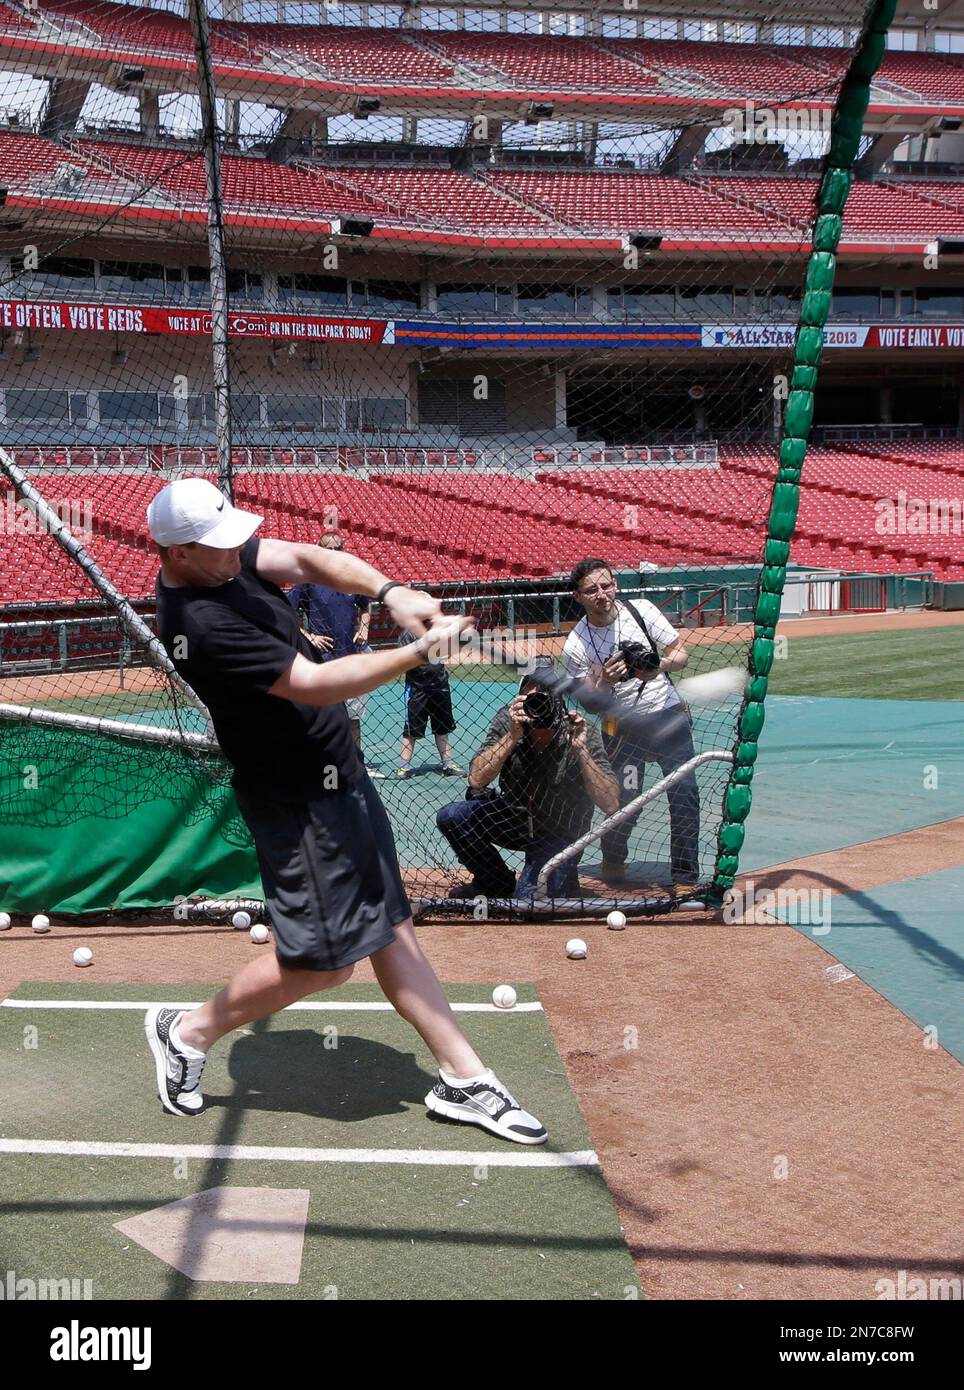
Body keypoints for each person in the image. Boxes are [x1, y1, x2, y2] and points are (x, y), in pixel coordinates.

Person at [143, 477, 547, 1146]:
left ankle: (464, 1077)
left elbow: (307, 557)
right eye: (219, 544)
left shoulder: (223, 557)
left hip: (339, 775)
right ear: (178, 553)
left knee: (393, 924)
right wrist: (418, 651)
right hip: (296, 799)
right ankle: (185, 1032)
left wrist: (395, 594)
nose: (239, 548)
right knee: (323, 963)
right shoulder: (197, 623)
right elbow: (312, 684)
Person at [562, 557, 700, 893]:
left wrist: (658, 666)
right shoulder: (577, 643)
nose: (602, 594)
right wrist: (606, 681)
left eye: (606, 585)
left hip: (668, 717)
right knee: (625, 800)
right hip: (621, 728)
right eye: (591, 590)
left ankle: (685, 878)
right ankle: (613, 860)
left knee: (685, 795)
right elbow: (587, 702)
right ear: (578, 596)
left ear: (615, 585)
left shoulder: (641, 610)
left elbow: (680, 654)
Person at [437, 669, 618, 899]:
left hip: (559, 832)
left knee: (530, 902)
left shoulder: (578, 729)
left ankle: (561, 876)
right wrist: (512, 735)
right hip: (515, 819)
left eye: (545, 700)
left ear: (559, 703)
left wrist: (581, 751)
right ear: (519, 700)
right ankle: (494, 882)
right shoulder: (509, 721)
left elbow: (610, 803)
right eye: (531, 700)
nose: (538, 707)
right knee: (452, 816)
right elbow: (477, 779)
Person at [287, 532, 381, 775]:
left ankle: (355, 764)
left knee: (353, 718)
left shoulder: (351, 577)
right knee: (323, 717)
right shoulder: (309, 580)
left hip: (351, 658)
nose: (334, 552)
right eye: (328, 548)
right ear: (319, 549)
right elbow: (287, 612)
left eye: (338, 547)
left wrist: (364, 628)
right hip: (323, 661)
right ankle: (322, 764)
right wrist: (310, 637)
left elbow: (365, 604)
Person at [396, 628, 464, 779]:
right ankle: (403, 766)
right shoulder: (408, 632)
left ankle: (448, 764)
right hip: (417, 687)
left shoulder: (436, 628)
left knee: (442, 728)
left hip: (439, 685)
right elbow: (404, 659)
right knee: (411, 729)